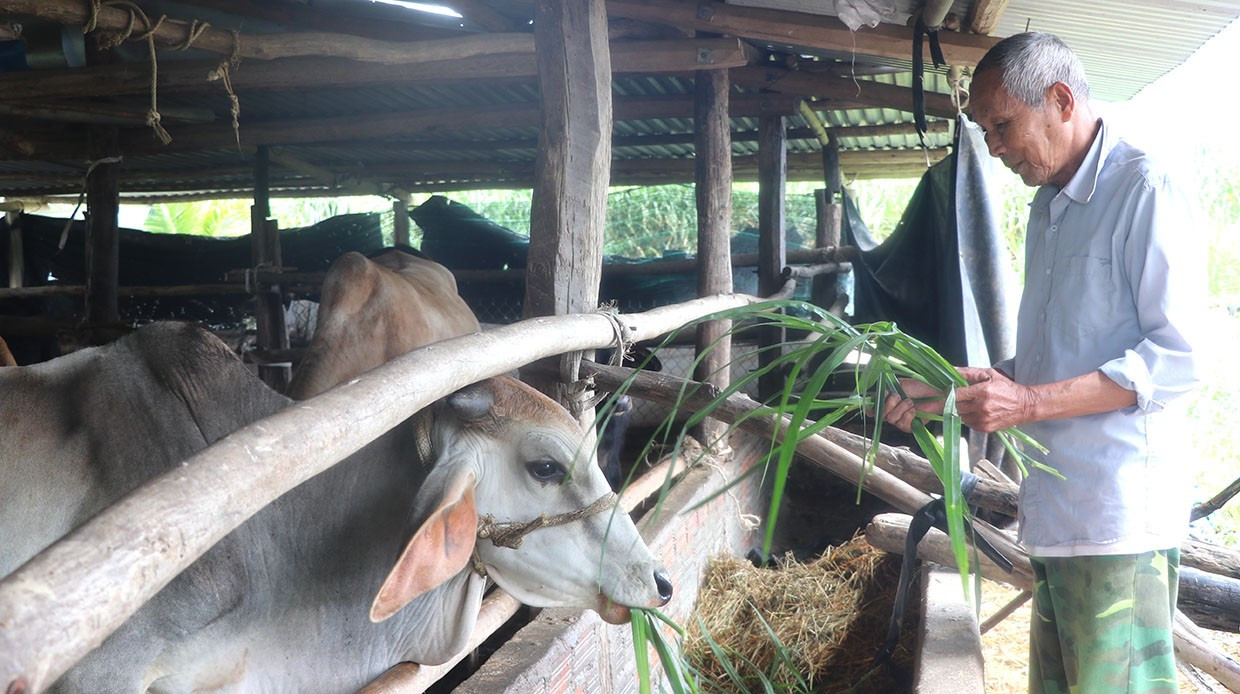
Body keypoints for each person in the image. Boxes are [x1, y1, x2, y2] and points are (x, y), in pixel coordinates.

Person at [882, 32, 1203, 693]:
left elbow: (1178, 359)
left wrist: (1025, 405)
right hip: (1057, 513)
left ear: (1060, 100)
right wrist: (944, 388)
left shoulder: (1144, 189)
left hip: (1118, 521)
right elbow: (1045, 358)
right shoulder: (1049, 208)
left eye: (1002, 126)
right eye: (986, 131)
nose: (994, 147)